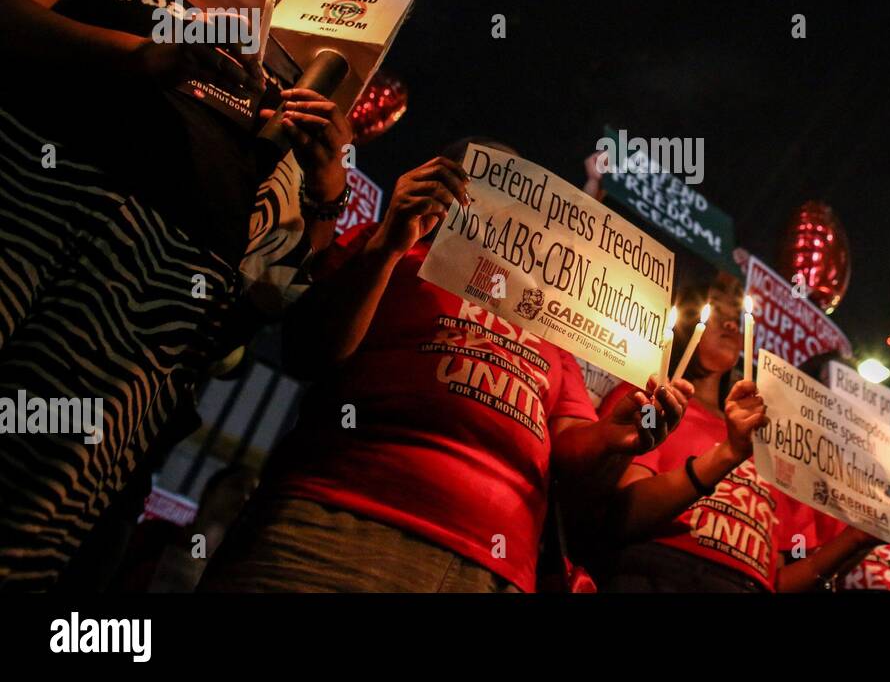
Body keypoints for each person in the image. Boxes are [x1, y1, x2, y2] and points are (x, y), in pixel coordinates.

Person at [0, 0, 352, 589]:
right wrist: (134, 54)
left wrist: (326, 185)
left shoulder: (295, 79)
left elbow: (280, 280)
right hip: (30, 191)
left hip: (156, 288)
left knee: (39, 493)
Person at [201, 141, 696, 592]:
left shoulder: (547, 320)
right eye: (476, 182)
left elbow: (570, 455)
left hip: (494, 568)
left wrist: (616, 434)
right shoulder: (393, 250)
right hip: (337, 527)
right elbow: (310, 349)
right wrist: (389, 244)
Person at [595, 272, 890, 592]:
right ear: (687, 321)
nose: (732, 325)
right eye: (715, 311)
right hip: (660, 573)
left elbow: (782, 580)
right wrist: (726, 455)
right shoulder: (650, 401)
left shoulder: (771, 439)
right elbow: (622, 517)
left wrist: (864, 534)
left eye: (737, 317)